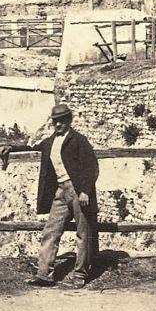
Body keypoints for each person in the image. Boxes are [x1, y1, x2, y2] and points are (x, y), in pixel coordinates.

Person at [26, 101, 100, 286]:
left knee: (83, 233)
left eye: (62, 120)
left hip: (78, 191)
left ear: (69, 120)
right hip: (60, 191)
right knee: (50, 231)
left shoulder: (79, 140)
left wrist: (85, 191)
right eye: (55, 121)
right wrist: (9, 148)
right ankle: (44, 275)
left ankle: (80, 275)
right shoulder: (50, 141)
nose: (58, 124)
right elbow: (32, 149)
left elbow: (92, 167)